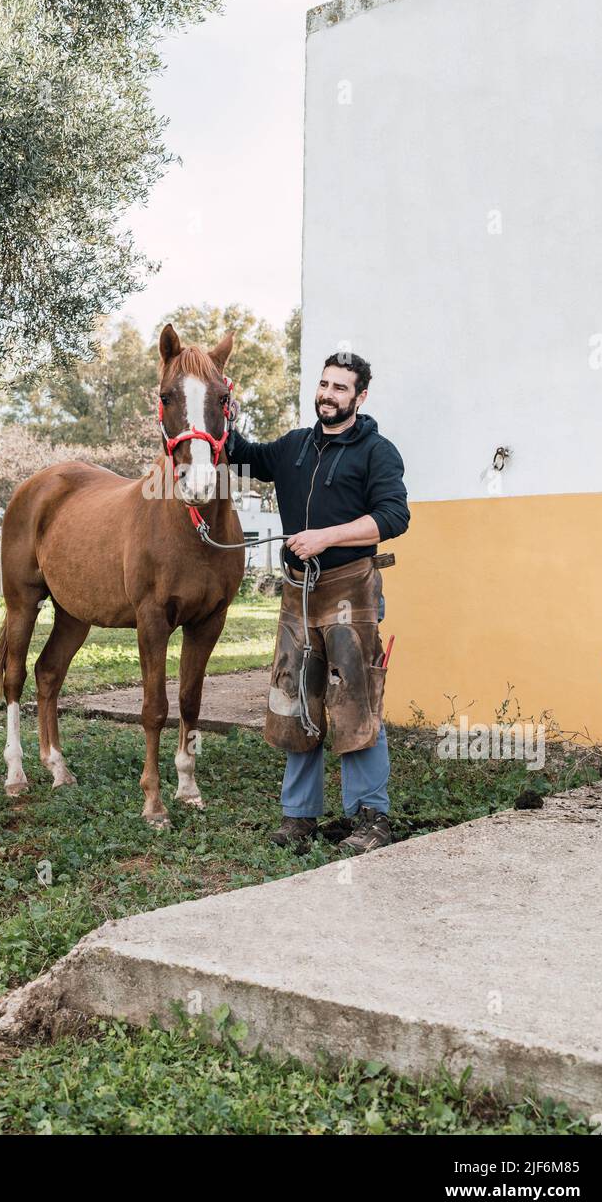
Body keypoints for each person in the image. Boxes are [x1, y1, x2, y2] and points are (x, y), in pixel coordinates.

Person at [227, 350, 409, 853]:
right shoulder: (292, 448)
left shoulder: (377, 452)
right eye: (324, 384)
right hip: (297, 592)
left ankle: (371, 816)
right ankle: (299, 816)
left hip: (352, 589)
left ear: (360, 397)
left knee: (356, 698)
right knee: (294, 697)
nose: (328, 395)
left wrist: (326, 537)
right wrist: (223, 409)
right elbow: (240, 455)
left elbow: (393, 517)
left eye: (340, 388)